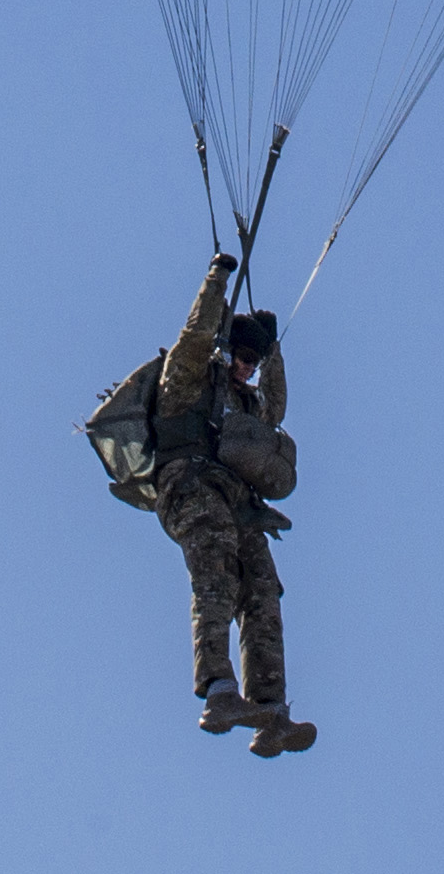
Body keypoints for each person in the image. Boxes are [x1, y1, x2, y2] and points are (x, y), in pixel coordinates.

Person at [151, 250, 314, 757]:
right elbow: (196, 337)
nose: (246, 366)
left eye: (253, 360)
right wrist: (217, 281)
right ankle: (219, 691)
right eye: (240, 356)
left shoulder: (246, 401)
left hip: (238, 502)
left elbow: (276, 408)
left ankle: (270, 710)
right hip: (192, 489)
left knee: (263, 591)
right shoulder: (188, 380)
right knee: (216, 576)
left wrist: (276, 350)